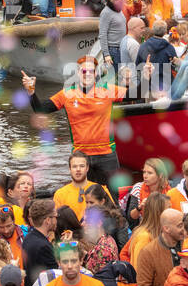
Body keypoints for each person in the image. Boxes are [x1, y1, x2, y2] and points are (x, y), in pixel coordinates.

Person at [23, 57, 126, 191]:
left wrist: (147, 77)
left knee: (112, 197)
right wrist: (31, 92)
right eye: (84, 71)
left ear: (95, 74)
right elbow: (40, 109)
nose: (87, 74)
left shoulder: (108, 90)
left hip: (106, 155)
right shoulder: (67, 94)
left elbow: (135, 94)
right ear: (78, 73)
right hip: (80, 156)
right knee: (83, 197)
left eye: (91, 71)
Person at [135, 207, 185, 286]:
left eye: (184, 224)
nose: (184, 229)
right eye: (180, 226)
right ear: (167, 229)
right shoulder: (148, 252)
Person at [124, 189, 170, 268]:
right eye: (168, 208)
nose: (171, 211)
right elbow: (139, 271)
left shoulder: (161, 234)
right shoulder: (144, 237)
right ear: (158, 212)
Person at [125, 157, 171, 229]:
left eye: (149, 173)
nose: (145, 176)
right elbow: (130, 217)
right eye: (144, 172)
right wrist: (139, 207)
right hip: (143, 227)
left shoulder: (169, 191)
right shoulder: (138, 188)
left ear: (160, 175)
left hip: (164, 228)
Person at [22, 197, 58, 286]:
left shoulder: (28, 238)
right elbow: (55, 274)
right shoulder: (43, 246)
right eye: (55, 217)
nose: (56, 220)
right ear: (48, 220)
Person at [54, 150, 92, 221]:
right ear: (70, 169)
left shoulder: (99, 189)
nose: (78, 169)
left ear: (87, 168)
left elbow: (111, 216)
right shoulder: (60, 194)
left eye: (82, 166)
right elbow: (56, 222)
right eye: (74, 166)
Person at [99, 0, 127, 70]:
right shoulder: (106, 12)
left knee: (120, 78)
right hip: (113, 51)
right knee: (114, 79)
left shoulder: (118, 9)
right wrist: (106, 54)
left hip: (121, 49)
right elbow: (102, 34)